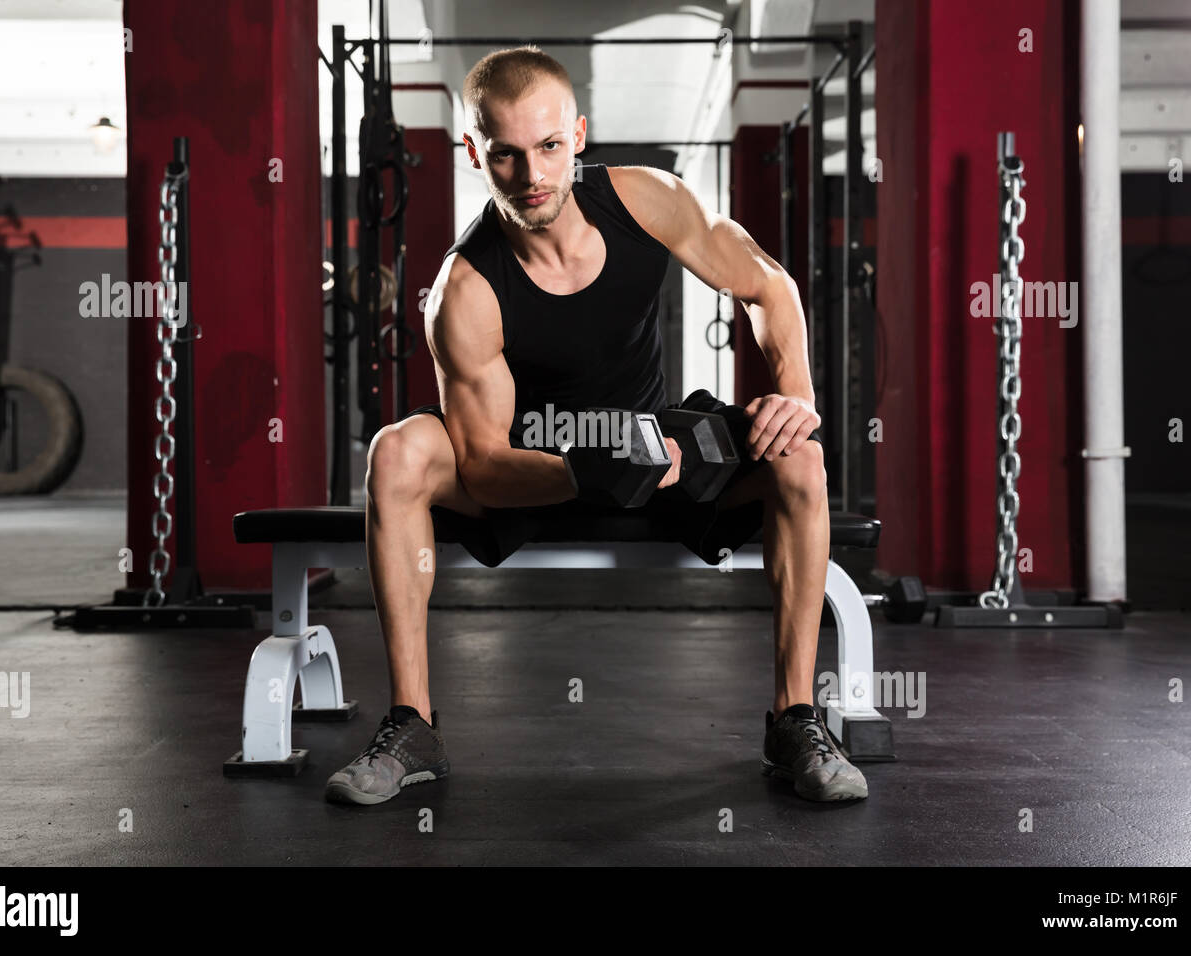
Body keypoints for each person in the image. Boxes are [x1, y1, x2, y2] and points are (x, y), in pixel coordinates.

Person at [325, 45, 867, 806]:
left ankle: (795, 719)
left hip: (660, 452)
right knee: (399, 451)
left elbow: (766, 286)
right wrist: (584, 468)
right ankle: (412, 724)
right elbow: (481, 463)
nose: (533, 176)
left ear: (577, 135)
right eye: (507, 155)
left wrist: (799, 392)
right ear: (474, 152)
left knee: (799, 459)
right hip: (534, 470)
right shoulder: (466, 288)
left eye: (549, 147)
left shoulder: (647, 199)